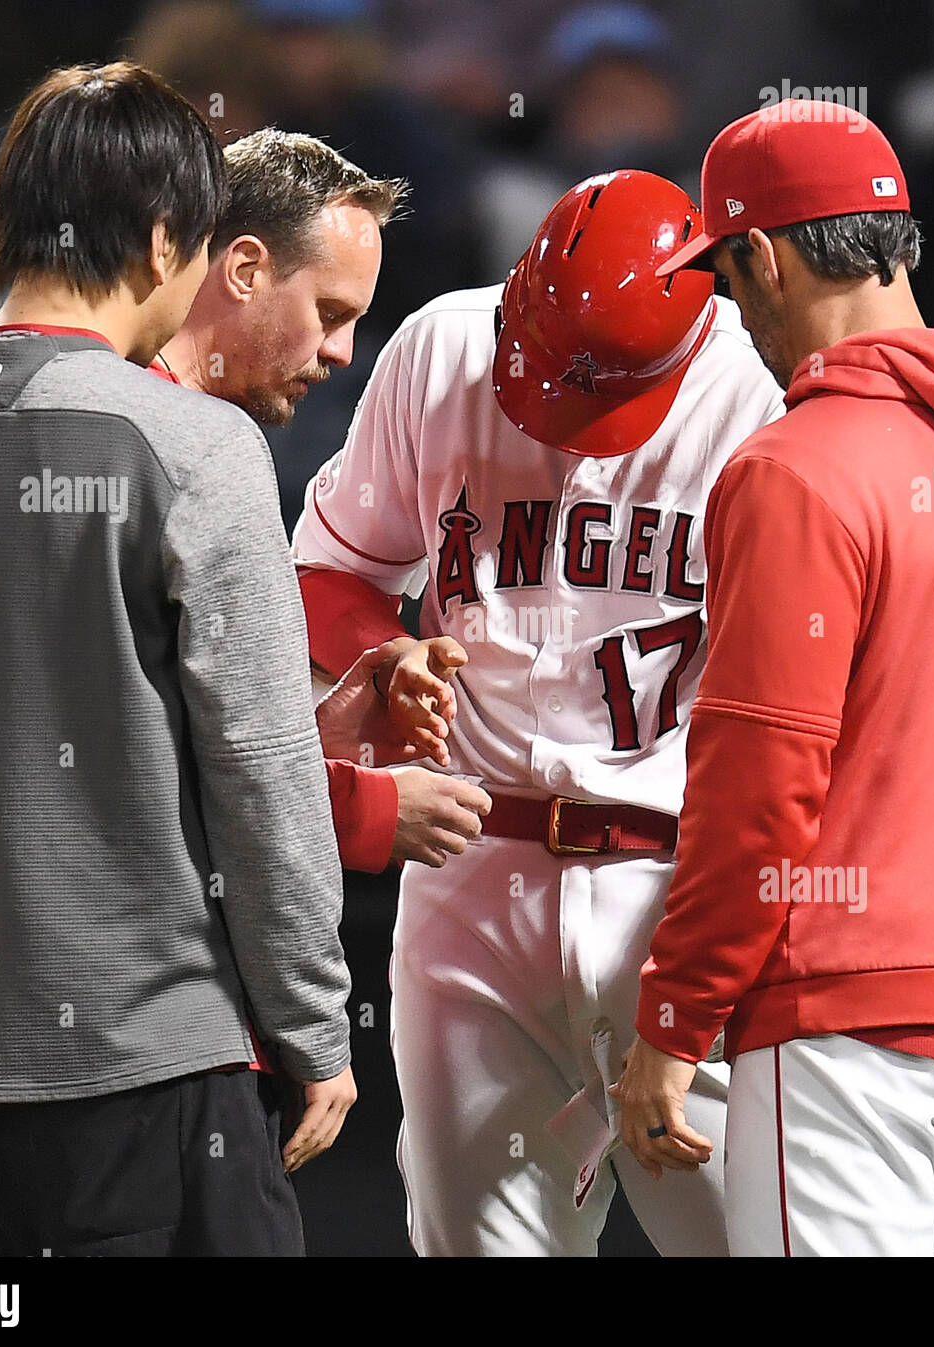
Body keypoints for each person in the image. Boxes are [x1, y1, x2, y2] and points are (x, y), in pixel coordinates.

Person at [614, 99, 934, 1257]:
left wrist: (676, 1016)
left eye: (725, 278)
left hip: (847, 1022)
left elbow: (757, 780)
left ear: (762, 256)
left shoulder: (795, 466)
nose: (731, 313)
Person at [0, 63, 351, 1256]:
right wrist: (315, 1027)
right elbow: (261, 771)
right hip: (149, 1082)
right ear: (158, 243)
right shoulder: (196, 446)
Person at [292, 168, 785, 1256]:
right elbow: (328, 568)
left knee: (749, 1241)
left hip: (677, 884)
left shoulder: (759, 392)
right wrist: (384, 652)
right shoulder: (442, 344)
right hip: (474, 858)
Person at [156, 127, 492, 871]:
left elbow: (169, 726)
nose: (341, 352)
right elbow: (130, 764)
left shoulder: (192, 435)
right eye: (330, 312)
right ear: (244, 268)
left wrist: (322, 737)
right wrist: (361, 807)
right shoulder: (173, 450)